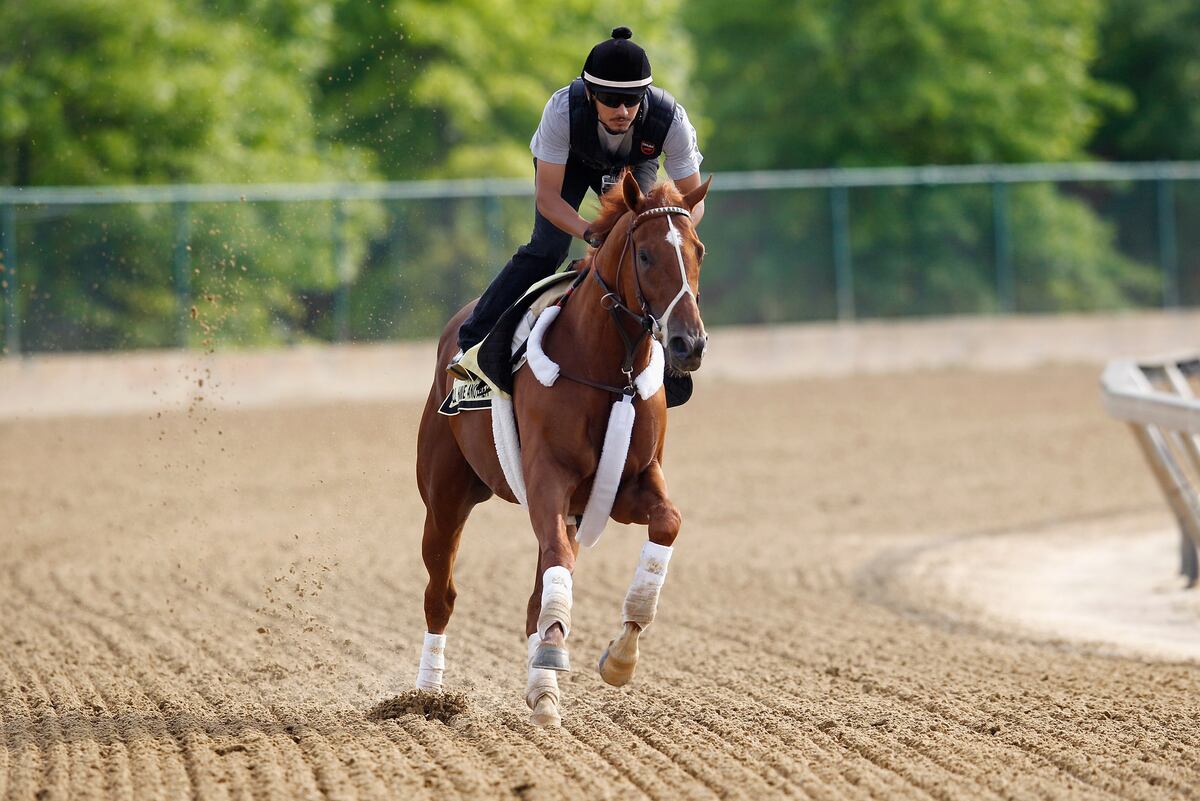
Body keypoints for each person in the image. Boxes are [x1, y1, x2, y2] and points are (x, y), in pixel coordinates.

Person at [449, 26, 705, 379]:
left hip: (634, 165)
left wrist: (670, 234)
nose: (622, 110)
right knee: (548, 249)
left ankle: (666, 351)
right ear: (589, 93)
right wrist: (588, 232)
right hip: (571, 163)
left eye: (632, 99)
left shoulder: (671, 119)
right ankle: (473, 344)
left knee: (644, 248)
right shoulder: (561, 111)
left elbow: (693, 203)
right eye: (610, 99)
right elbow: (547, 197)